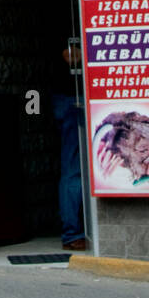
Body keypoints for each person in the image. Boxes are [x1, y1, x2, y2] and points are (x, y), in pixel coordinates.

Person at [50, 40, 87, 251]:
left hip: (70, 99)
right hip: (72, 99)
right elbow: (72, 57)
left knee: (75, 170)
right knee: (74, 171)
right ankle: (73, 234)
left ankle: (75, 232)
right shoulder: (69, 22)